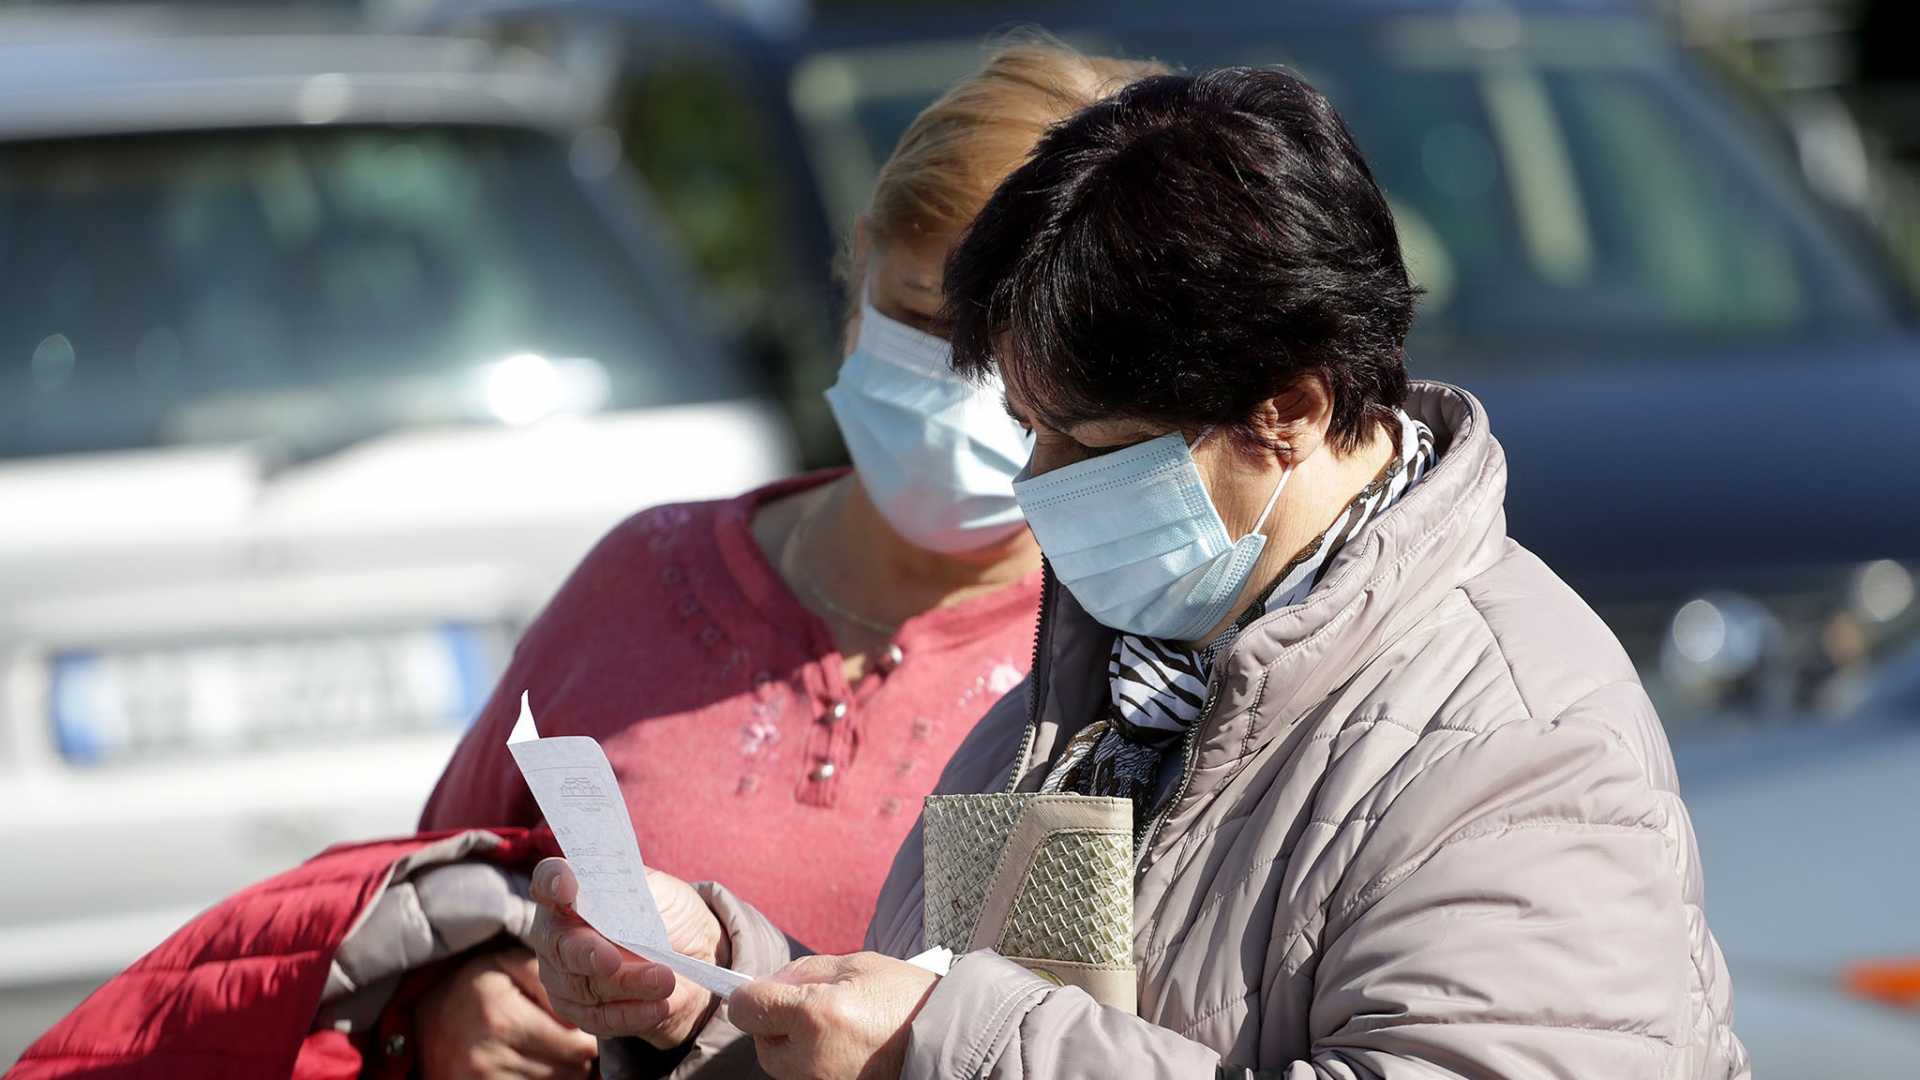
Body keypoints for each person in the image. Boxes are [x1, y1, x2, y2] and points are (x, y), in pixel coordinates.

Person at [526, 66, 1751, 1078]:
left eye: (1086, 442)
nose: (1034, 480)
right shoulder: (1100, 692)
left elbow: (976, 1043)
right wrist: (718, 997)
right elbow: (992, 1023)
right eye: (1025, 424)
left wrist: (937, 1047)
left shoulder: (1514, 746)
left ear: (1292, 408)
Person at [409, 44, 1166, 1079]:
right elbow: (423, 894)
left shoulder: (1139, 671)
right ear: (859, 269)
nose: (963, 386)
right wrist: (454, 1008)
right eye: (923, 318)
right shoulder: (646, 577)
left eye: (1016, 350)